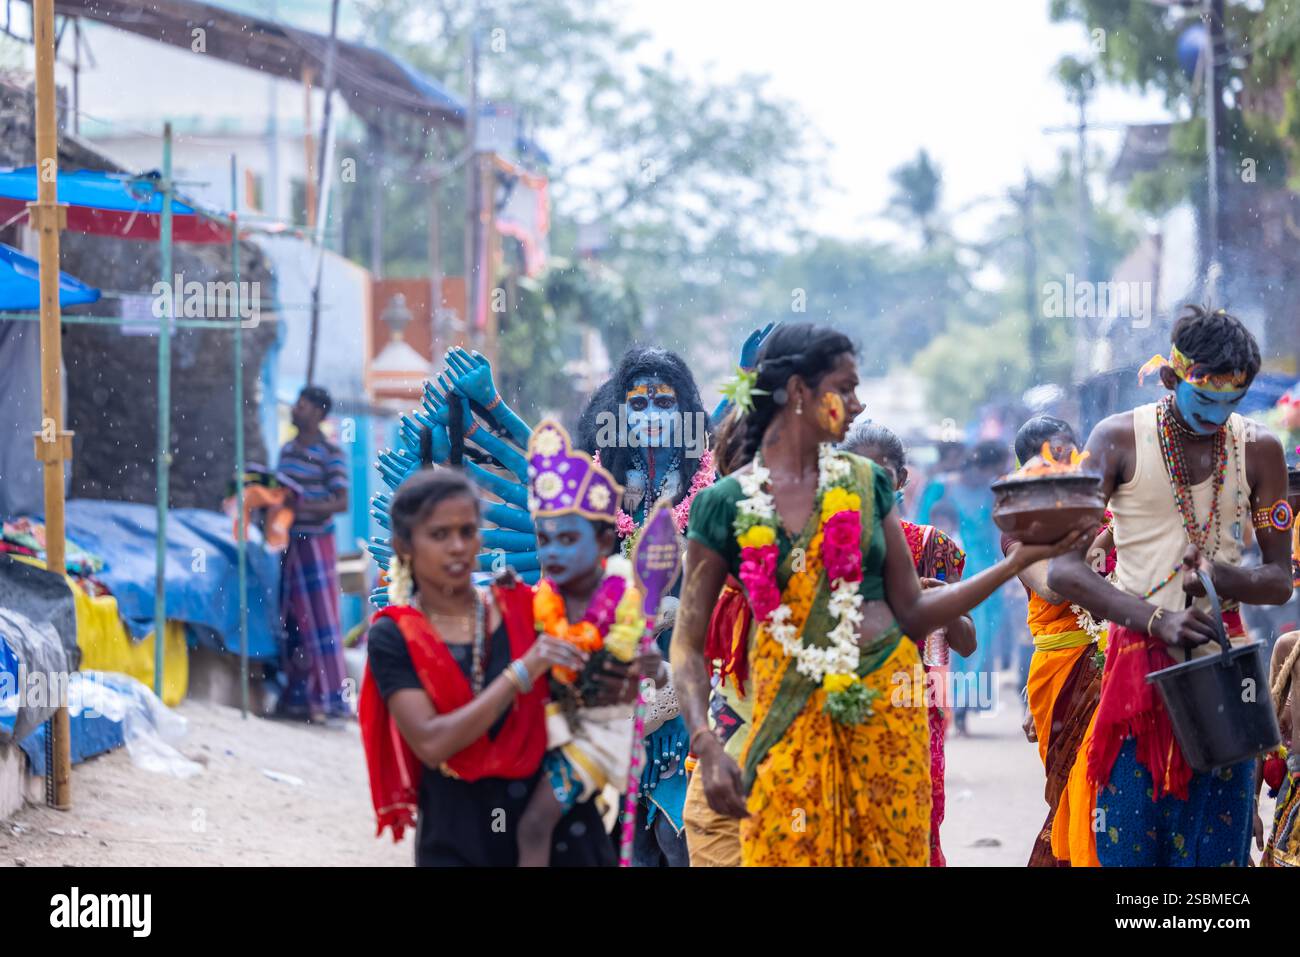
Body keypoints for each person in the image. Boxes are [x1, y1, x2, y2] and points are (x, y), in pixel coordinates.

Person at [672, 322, 1091, 866]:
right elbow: (686, 644)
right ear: (799, 393)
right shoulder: (723, 504)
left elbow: (914, 612)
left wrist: (1017, 563)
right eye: (845, 388)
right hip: (787, 734)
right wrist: (704, 741)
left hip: (888, 728)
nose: (858, 401)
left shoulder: (868, 485)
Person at [1047, 306, 1294, 867]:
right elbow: (1064, 569)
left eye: (1232, 403)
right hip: (1137, 675)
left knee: (1215, 864)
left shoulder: (1260, 450)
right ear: (1170, 378)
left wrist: (1219, 577)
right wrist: (1156, 620)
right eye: (1204, 400)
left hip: (1225, 677)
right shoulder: (1115, 439)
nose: (1217, 416)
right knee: (1131, 854)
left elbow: (1280, 580)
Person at [358, 467, 623, 866]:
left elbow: (589, 684)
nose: (457, 547)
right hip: (457, 830)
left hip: (552, 825)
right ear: (403, 545)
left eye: (467, 532)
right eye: (439, 535)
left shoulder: (524, 608)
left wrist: (631, 670)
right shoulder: (394, 636)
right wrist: (522, 672)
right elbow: (432, 743)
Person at [513, 420, 668, 866]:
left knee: (534, 822)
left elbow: (652, 662)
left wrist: (650, 666)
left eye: (567, 540)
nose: (553, 552)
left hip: (601, 731)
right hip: (552, 725)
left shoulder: (620, 595)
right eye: (545, 540)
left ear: (603, 541)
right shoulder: (545, 599)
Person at [841, 420, 974, 867]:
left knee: (916, 821)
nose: (871, 483)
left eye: (882, 473)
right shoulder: (827, 546)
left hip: (917, 705)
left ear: (902, 479)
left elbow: (968, 643)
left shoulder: (931, 545)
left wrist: (944, 603)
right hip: (845, 704)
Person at [1003, 415, 1109, 867]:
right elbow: (1050, 587)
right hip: (1063, 670)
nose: (1062, 466)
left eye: (1069, 454)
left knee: (1111, 779)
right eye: (1049, 460)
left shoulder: (1110, 513)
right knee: (1078, 779)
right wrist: (1102, 538)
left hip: (1119, 656)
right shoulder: (1021, 528)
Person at [917, 440, 1012, 733]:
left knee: (977, 639)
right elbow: (922, 527)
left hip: (983, 572)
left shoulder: (990, 492)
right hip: (948, 568)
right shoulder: (941, 488)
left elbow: (999, 531)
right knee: (947, 638)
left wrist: (1007, 571)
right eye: (993, 470)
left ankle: (961, 705)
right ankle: (949, 704)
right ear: (981, 467)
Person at [275, 386, 350, 723]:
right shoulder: (287, 451)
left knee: (321, 621)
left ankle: (331, 699)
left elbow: (342, 502)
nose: (295, 409)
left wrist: (305, 508)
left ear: (318, 412)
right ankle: (298, 697)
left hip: (316, 545)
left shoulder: (331, 453)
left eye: (302, 406)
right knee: (293, 622)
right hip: (289, 544)